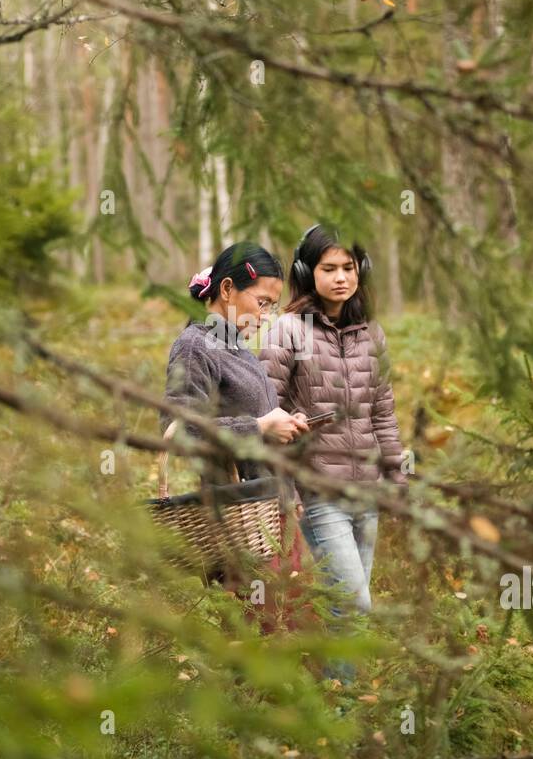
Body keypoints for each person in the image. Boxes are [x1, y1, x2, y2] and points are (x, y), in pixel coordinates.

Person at [259, 225, 406, 628]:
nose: (341, 277)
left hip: (367, 488)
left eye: (349, 267)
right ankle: (339, 688)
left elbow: (383, 412)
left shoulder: (372, 334)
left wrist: (396, 476)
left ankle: (340, 688)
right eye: (329, 268)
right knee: (353, 601)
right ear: (307, 273)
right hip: (318, 489)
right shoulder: (286, 330)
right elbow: (266, 413)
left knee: (348, 607)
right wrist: (285, 487)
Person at [161, 242, 309, 483]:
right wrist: (260, 427)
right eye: (262, 303)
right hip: (234, 508)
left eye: (272, 306)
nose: (265, 316)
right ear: (228, 289)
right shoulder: (194, 346)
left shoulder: (241, 350)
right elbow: (178, 431)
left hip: (268, 506)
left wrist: (286, 425)